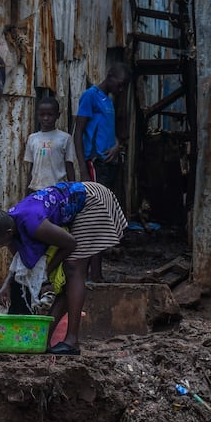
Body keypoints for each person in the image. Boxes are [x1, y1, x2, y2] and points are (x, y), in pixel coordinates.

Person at [0, 181, 126, 356]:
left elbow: (70, 243)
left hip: (91, 200)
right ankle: (44, 339)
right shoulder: (11, 227)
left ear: (7, 233)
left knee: (73, 268)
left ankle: (72, 341)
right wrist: (6, 285)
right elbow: (20, 263)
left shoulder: (32, 224)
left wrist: (48, 269)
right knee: (65, 283)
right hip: (78, 202)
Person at [73, 63, 129, 282]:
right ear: (110, 76)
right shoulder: (91, 96)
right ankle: (91, 274)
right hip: (95, 165)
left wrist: (116, 145)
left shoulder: (108, 100)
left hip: (108, 165)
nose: (121, 89)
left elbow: (108, 131)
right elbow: (78, 133)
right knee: (95, 217)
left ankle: (96, 274)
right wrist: (83, 169)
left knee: (103, 218)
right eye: (120, 84)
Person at [23, 97, 77, 195]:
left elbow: (69, 166)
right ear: (37, 115)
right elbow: (32, 167)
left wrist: (73, 190)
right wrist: (27, 188)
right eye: (42, 115)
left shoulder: (65, 138)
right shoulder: (32, 138)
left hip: (57, 189)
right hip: (36, 188)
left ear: (58, 115)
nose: (46, 118)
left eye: (50, 114)